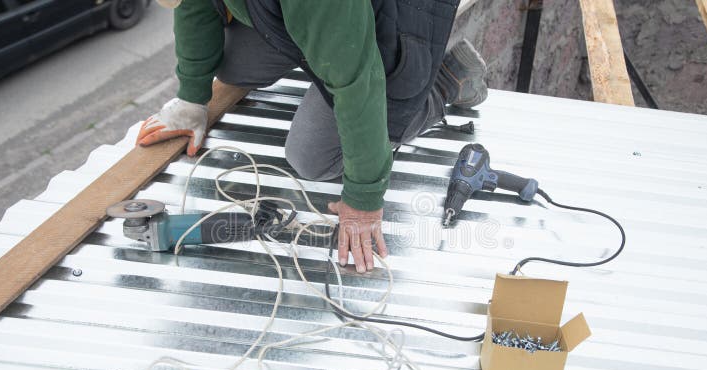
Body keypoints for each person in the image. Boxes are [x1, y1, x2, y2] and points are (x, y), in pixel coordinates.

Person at [137, 0, 488, 273]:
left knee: (313, 157)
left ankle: (444, 82)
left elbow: (357, 81)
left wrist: (364, 199)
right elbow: (195, 6)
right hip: (334, 18)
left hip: (398, 24)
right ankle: (319, 45)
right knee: (231, 65)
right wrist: (192, 97)